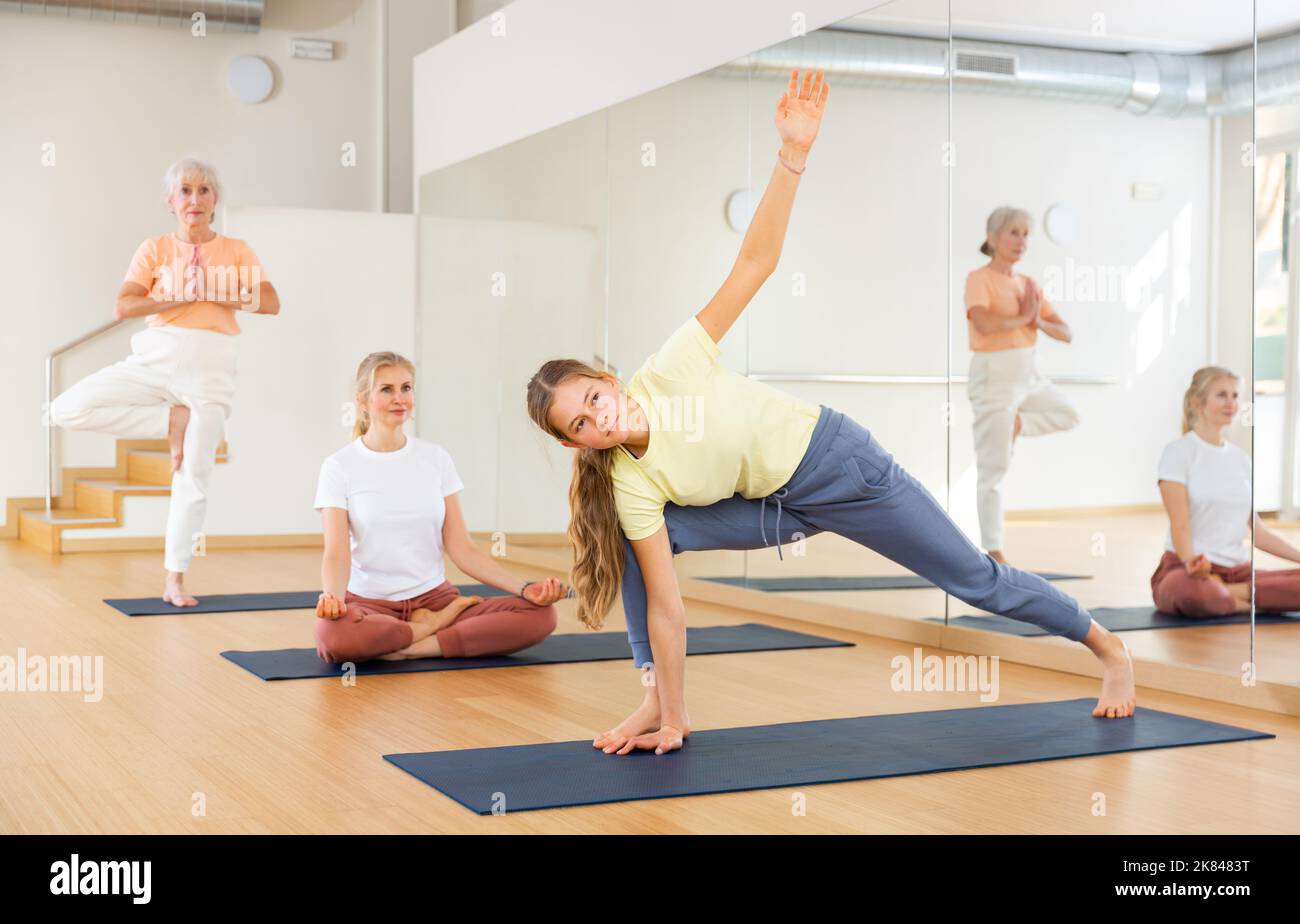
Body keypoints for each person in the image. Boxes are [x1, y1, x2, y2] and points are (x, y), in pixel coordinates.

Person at [525, 70, 1137, 760]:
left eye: (593, 399)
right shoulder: (629, 481)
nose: (596, 420)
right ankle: (653, 695)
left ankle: (1106, 646)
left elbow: (754, 263)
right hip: (775, 508)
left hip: (843, 468)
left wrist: (793, 155)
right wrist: (674, 713)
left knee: (973, 580)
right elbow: (667, 607)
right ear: (576, 443)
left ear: (609, 381)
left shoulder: (671, 367)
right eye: (578, 425)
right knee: (639, 539)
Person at [50, 156, 280, 606]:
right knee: (64, 409)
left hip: (211, 367)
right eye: (185, 191)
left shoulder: (236, 250)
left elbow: (270, 302)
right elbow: (124, 306)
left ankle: (174, 579)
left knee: (194, 476)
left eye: (203, 191)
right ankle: (168, 421)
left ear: (215, 201)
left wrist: (214, 292)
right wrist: (175, 295)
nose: (194, 199)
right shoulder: (154, 248)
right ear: (170, 201)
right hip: (156, 357)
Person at [314, 351, 567, 663]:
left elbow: (462, 549)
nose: (399, 398)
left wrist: (526, 588)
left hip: (436, 600)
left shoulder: (435, 459)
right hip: (371, 605)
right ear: (363, 400)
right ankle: (431, 630)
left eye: (406, 388)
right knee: (333, 637)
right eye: (387, 389)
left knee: (541, 616)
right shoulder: (339, 466)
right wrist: (334, 600)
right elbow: (337, 553)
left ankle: (413, 645)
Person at [965, 207, 1080, 564]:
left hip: (1028, 375)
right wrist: (1023, 318)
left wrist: (1037, 322)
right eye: (1014, 232)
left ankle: (1020, 423)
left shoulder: (1028, 285)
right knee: (993, 468)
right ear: (994, 237)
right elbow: (982, 322)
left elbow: (1066, 333)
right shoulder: (979, 278)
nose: (1021, 241)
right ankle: (993, 548)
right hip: (994, 378)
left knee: (1069, 413)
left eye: (1026, 234)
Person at [1152, 366, 1300, 615]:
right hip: (1187, 570)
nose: (1231, 402)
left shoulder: (1241, 459)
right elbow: (1180, 525)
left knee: (1216, 595)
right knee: (1197, 594)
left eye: (1235, 395)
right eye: (1221, 395)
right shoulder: (1178, 453)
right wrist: (1191, 563)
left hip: (1238, 573)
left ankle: (1231, 595)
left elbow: (1259, 532)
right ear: (1197, 401)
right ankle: (1248, 600)